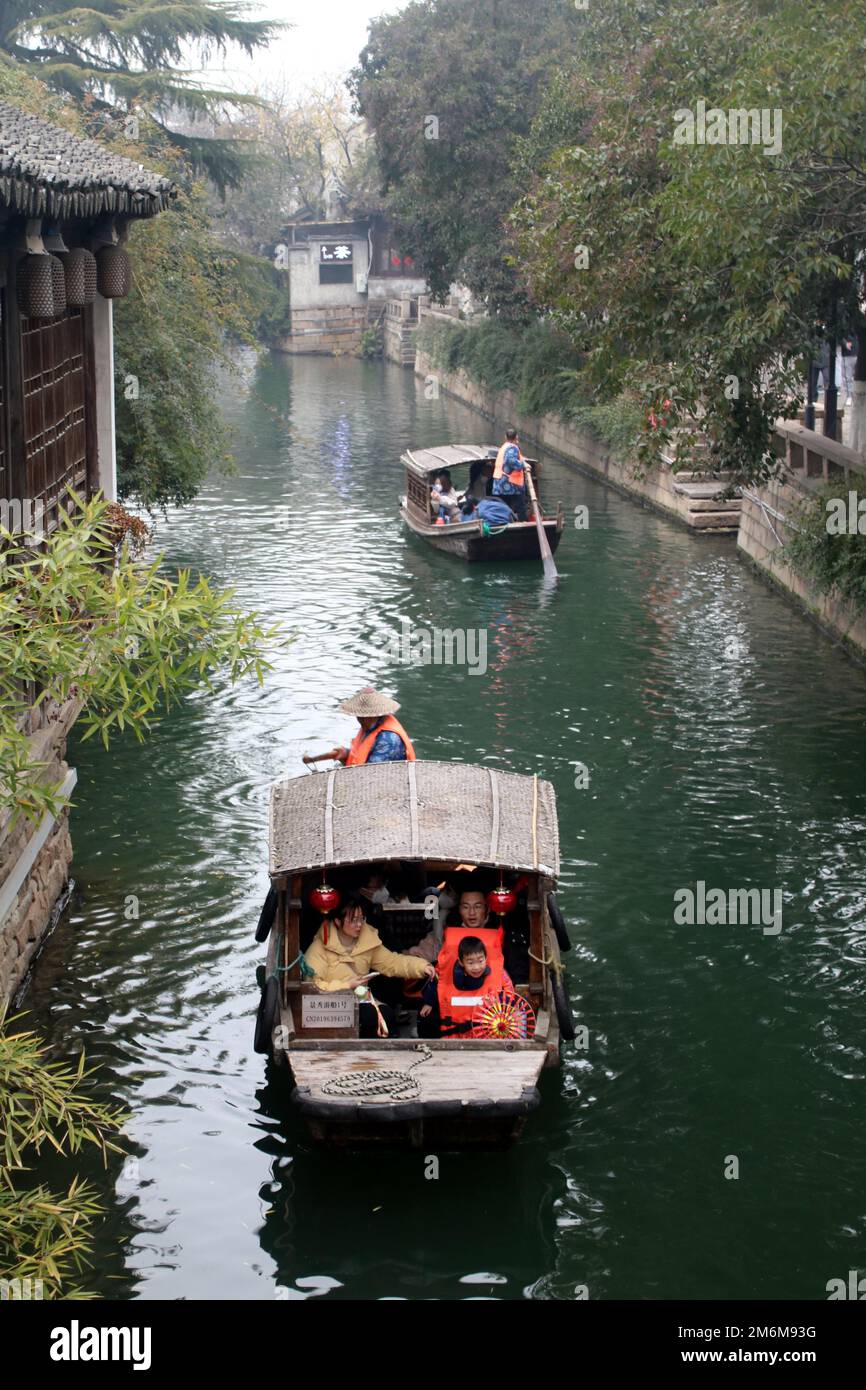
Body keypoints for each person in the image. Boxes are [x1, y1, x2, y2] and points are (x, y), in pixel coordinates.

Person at [304, 895, 434, 1038]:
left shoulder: (367, 940)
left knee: (387, 1016)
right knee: (368, 1017)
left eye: (361, 919)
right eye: (353, 920)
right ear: (337, 921)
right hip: (331, 1007)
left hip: (361, 998)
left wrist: (422, 966)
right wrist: (346, 985)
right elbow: (313, 987)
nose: (359, 924)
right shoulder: (318, 949)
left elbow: (392, 962)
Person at [418, 934, 514, 1038]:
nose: (476, 967)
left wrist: (500, 1003)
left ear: (486, 958)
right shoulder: (446, 973)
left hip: (486, 1035)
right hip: (453, 1034)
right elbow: (436, 984)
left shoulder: (499, 975)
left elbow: (509, 997)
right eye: (470, 963)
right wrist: (429, 1003)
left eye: (480, 961)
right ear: (461, 962)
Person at [302, 687, 415, 767]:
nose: (358, 719)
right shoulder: (370, 727)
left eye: (359, 716)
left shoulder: (388, 739)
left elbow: (369, 772)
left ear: (365, 717)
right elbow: (364, 755)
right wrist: (345, 754)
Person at [491, 428, 530, 521]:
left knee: (504, 506)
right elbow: (510, 460)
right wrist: (523, 465)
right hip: (510, 484)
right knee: (520, 506)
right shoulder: (512, 447)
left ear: (505, 437)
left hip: (500, 483)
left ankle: (504, 522)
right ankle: (523, 523)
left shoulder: (504, 446)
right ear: (516, 437)